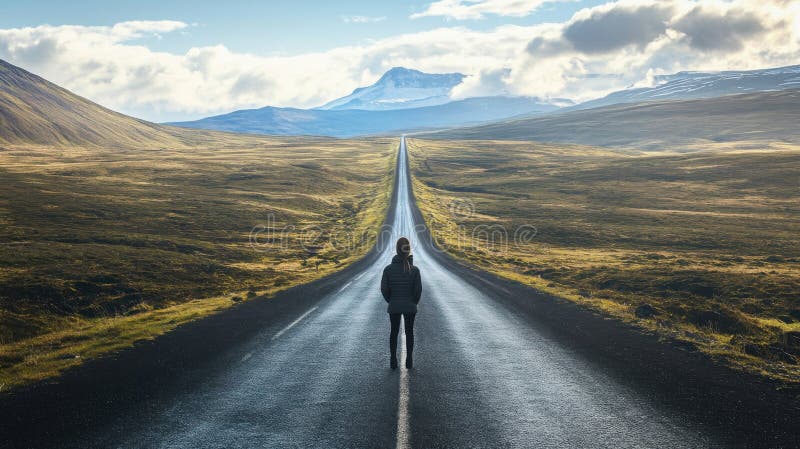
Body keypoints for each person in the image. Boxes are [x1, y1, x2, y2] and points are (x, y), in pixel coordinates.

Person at [381, 237, 422, 370]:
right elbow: (418, 291)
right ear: (408, 250)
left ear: (397, 250)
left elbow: (384, 289)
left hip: (394, 305)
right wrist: (413, 303)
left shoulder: (388, 269)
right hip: (410, 306)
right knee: (409, 332)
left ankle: (393, 360)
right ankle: (409, 360)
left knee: (394, 332)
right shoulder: (415, 270)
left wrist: (391, 300)